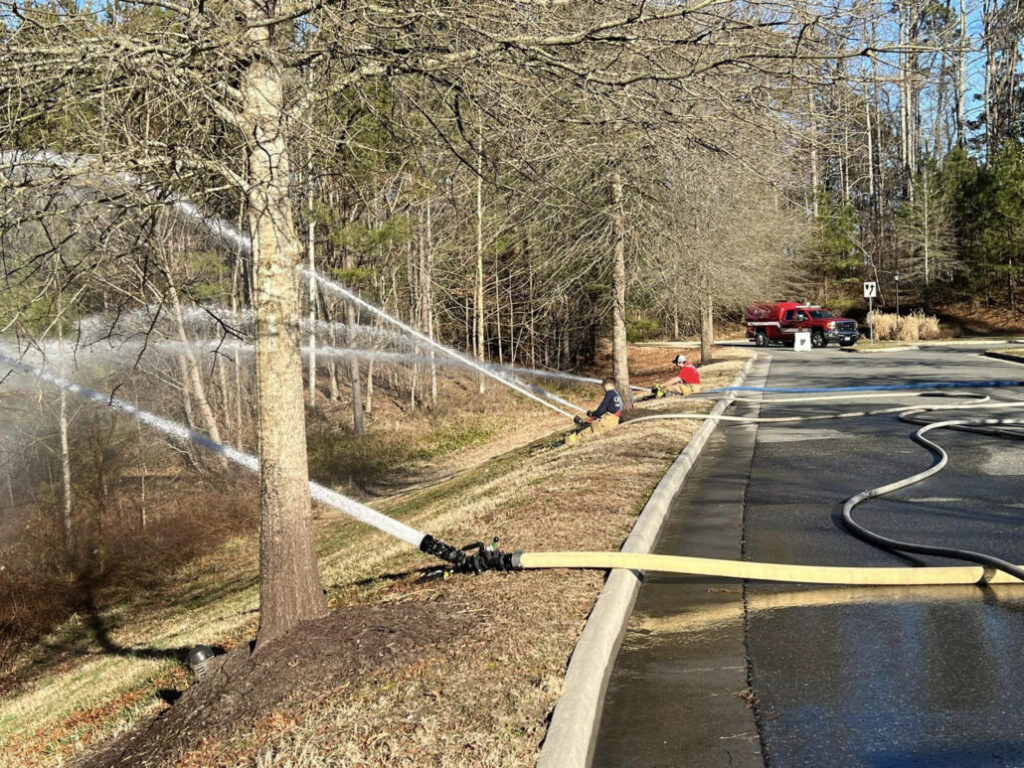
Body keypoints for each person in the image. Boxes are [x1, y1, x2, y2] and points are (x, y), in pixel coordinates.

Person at [565, 377, 623, 446]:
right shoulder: (616, 394)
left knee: (585, 432)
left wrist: (593, 413)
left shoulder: (609, 393)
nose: (604, 389)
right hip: (615, 420)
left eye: (604, 387)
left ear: (608, 385)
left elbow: (601, 409)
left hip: (607, 420)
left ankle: (568, 441)